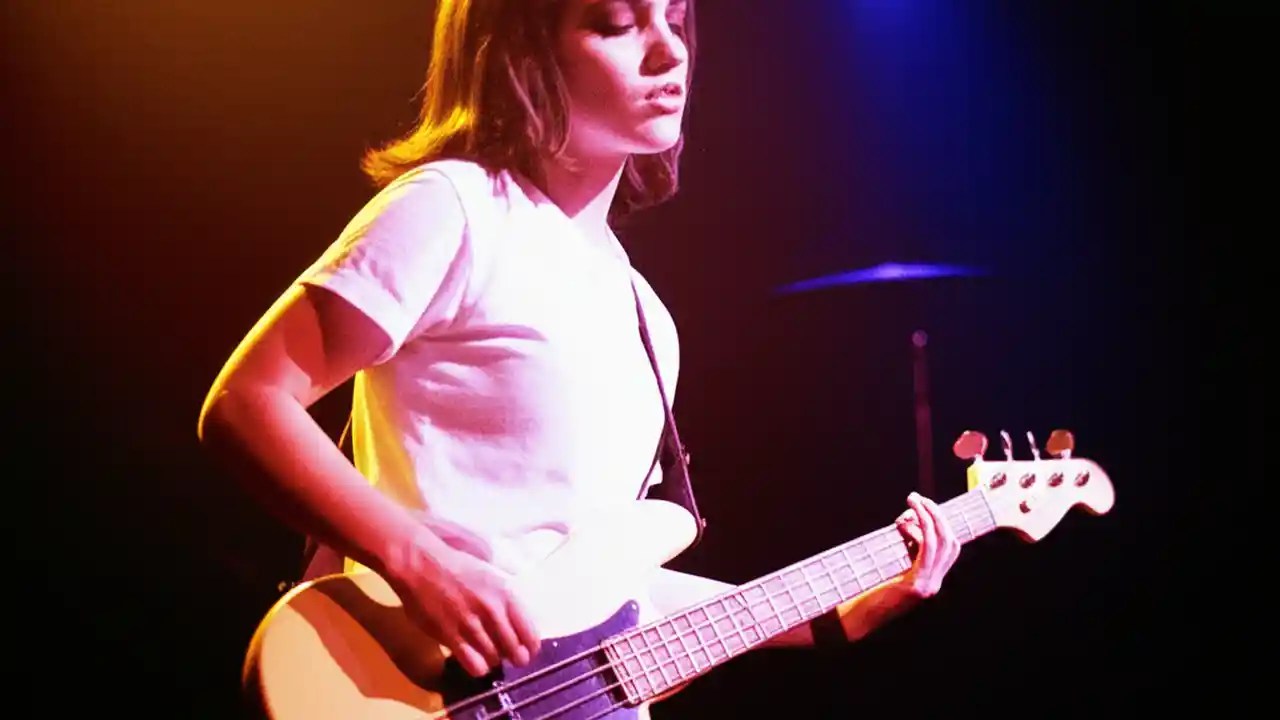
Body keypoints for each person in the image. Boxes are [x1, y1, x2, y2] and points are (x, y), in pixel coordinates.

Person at [196, 0, 961, 696]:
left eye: (676, 17)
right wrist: (415, 558)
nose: (669, 52)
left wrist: (838, 614)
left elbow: (610, 601)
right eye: (618, 24)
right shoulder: (457, 209)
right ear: (524, 55)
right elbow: (247, 403)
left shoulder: (646, 317)